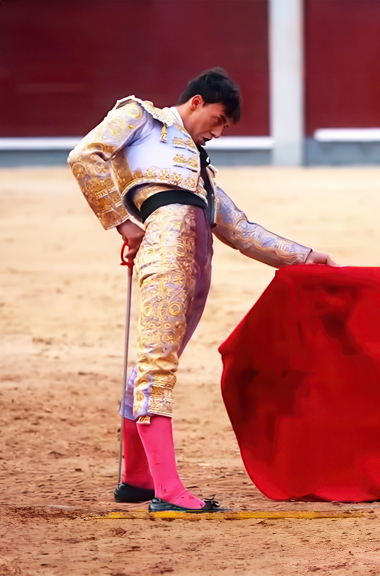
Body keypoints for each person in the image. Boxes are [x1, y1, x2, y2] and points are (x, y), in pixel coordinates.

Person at [68, 68, 336, 512]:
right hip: (167, 247)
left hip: (198, 259)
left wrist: (305, 257)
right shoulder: (140, 119)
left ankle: (137, 479)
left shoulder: (200, 169)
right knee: (157, 362)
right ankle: (167, 492)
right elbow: (85, 155)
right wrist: (122, 222)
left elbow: (240, 229)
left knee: (156, 360)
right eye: (218, 119)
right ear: (196, 102)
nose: (219, 131)